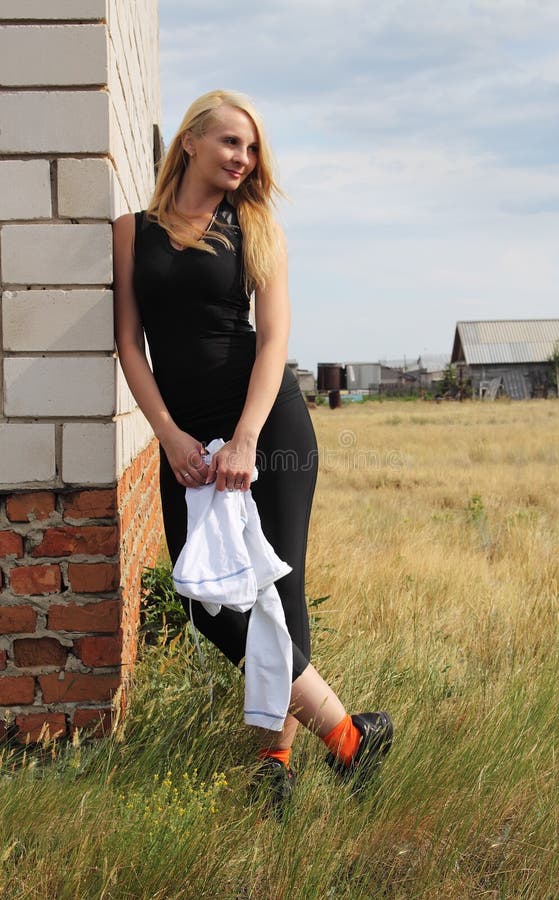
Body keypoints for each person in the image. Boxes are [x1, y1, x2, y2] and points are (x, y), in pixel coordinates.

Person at [113, 89, 393, 805]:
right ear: (191, 143)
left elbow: (274, 342)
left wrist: (245, 439)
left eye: (252, 148)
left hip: (267, 427)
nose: (244, 158)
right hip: (185, 440)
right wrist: (168, 434)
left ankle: (276, 764)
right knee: (208, 601)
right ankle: (351, 740)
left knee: (279, 589)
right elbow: (129, 344)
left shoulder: (255, 225)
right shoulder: (131, 231)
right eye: (231, 142)